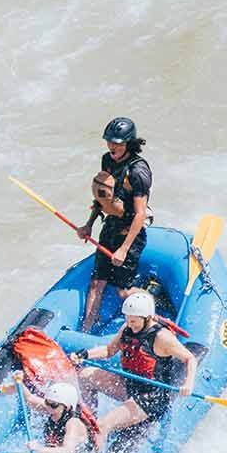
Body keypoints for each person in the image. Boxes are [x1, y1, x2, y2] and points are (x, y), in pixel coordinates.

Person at [79, 290, 196, 443]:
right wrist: (84, 354)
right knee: (84, 375)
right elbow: (109, 350)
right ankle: (89, 420)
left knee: (101, 425)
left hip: (150, 396)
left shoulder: (162, 337)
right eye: (127, 320)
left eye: (134, 321)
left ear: (147, 318)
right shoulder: (127, 327)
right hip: (129, 385)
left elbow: (190, 358)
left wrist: (188, 383)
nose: (130, 325)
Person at [79, 116, 154, 331]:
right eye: (109, 141)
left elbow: (140, 214)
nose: (112, 146)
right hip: (110, 227)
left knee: (122, 291)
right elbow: (102, 198)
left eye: (117, 143)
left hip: (130, 233)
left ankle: (152, 306)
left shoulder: (138, 172)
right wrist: (89, 224)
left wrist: (123, 249)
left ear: (128, 143)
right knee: (97, 283)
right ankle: (86, 329)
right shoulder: (108, 161)